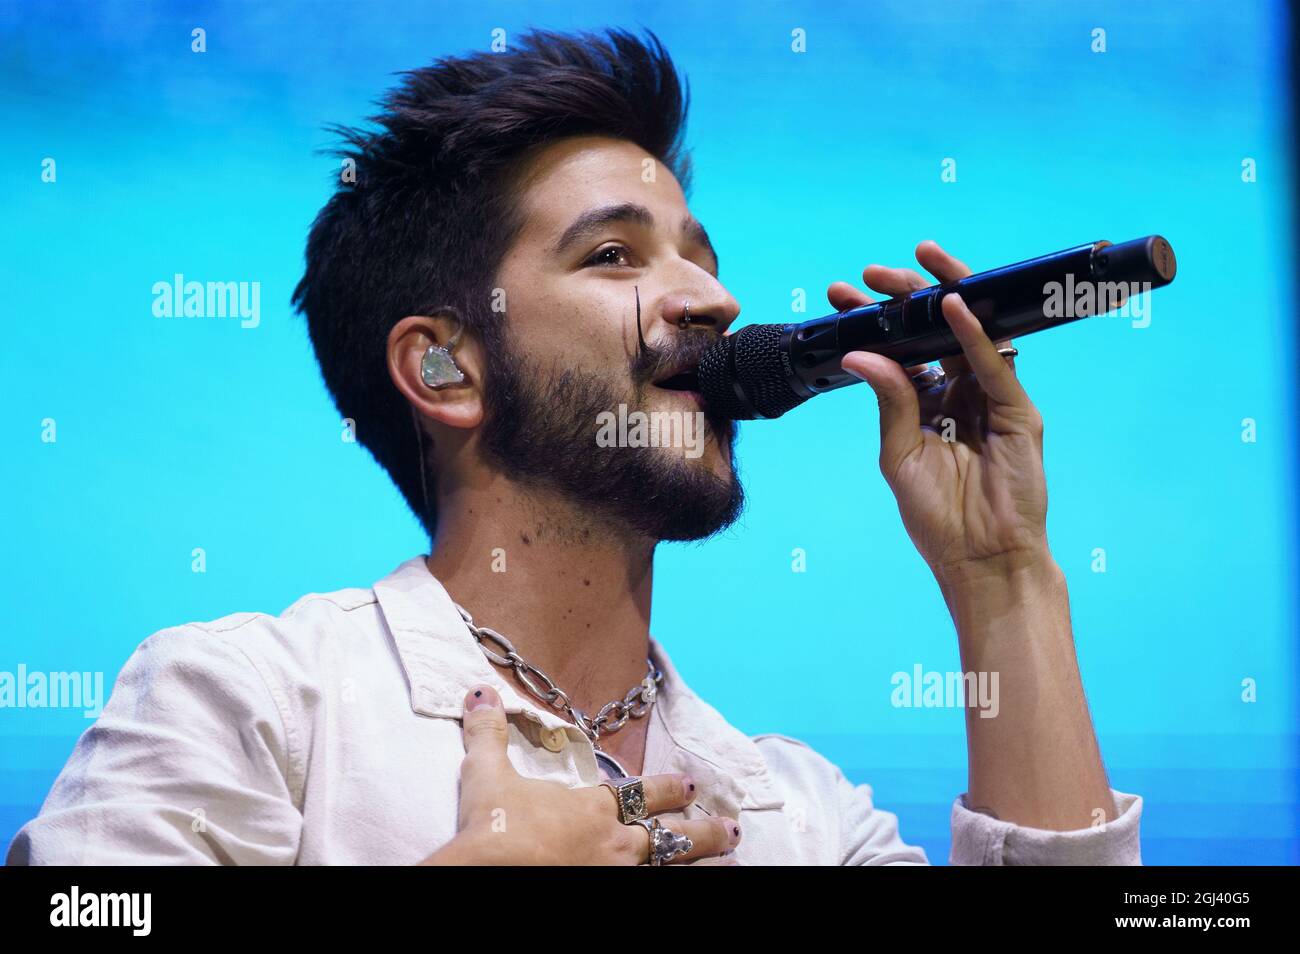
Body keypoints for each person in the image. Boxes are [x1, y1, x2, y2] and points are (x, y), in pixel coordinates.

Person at [8, 27, 1141, 866]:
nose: (711, 297)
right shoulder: (251, 700)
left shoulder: (798, 812)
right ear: (444, 367)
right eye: (612, 256)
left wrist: (1005, 583)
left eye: (699, 255)